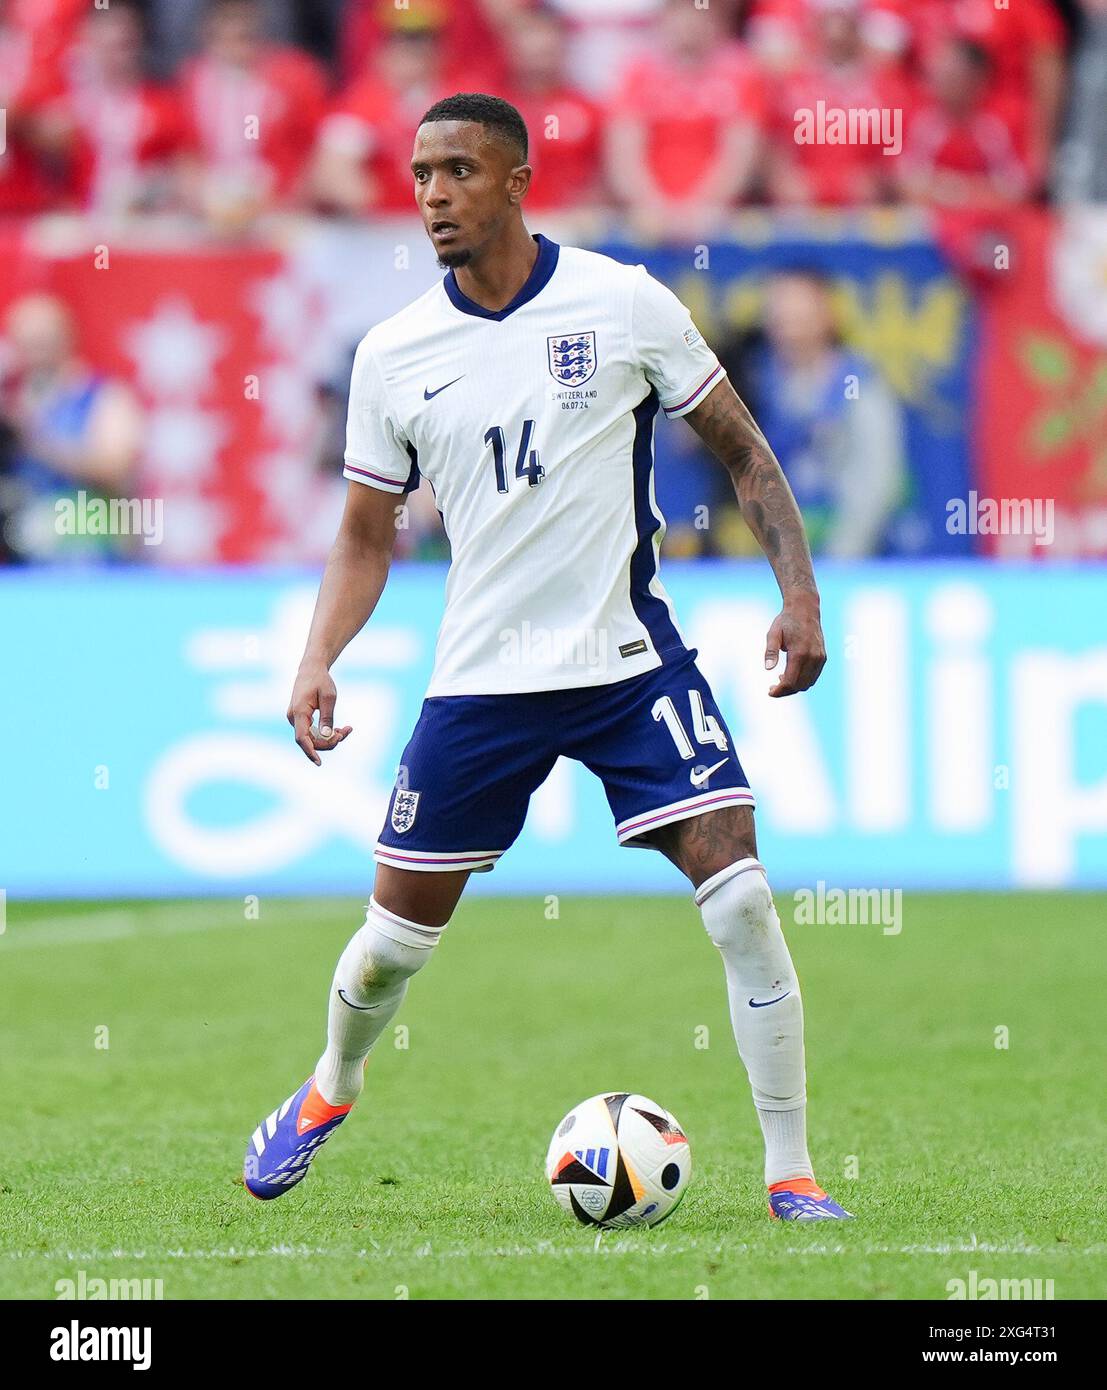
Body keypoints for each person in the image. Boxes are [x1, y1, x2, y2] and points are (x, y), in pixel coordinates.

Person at [243, 93, 851, 1224]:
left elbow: (743, 449)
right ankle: (332, 1086)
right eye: (421, 173)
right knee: (387, 953)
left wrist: (799, 593)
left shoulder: (620, 303)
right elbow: (367, 536)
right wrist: (317, 655)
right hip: (482, 682)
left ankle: (792, 1170)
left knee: (742, 900)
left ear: (517, 180)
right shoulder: (392, 355)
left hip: (630, 661)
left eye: (459, 171)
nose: (432, 194)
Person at [0, 293, 142, 563]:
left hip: (87, 538)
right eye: (25, 342)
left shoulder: (105, 396)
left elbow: (115, 468)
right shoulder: (11, 401)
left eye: (42, 341)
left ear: (67, 338)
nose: (34, 352)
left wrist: (37, 441)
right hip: (19, 543)